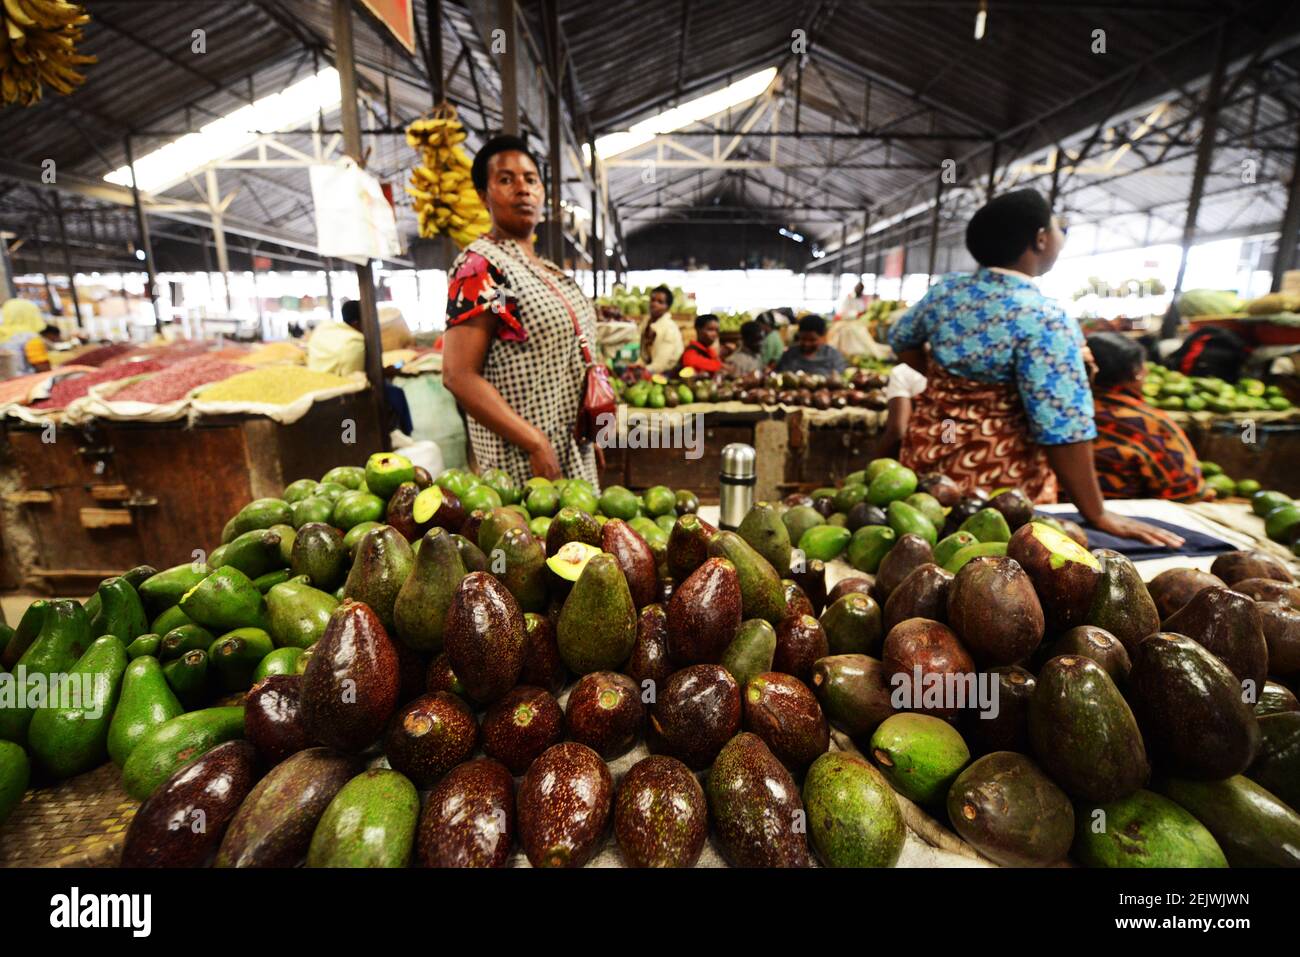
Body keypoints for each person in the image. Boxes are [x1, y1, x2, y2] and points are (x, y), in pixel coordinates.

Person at [888, 189, 1181, 547]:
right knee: (992, 566)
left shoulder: (945, 292)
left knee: (923, 548)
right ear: (1041, 239)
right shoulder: (1044, 318)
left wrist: (944, 382)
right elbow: (1062, 427)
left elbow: (901, 338)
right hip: (998, 480)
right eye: (1058, 228)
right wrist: (1096, 513)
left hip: (931, 462)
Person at [441, 134, 600, 487]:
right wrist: (534, 441)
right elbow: (458, 375)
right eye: (505, 179)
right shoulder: (482, 267)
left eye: (530, 179)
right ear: (484, 196)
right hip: (523, 459)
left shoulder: (547, 270)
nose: (522, 189)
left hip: (569, 449)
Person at [1088, 332, 1207, 502]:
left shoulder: (1064, 413)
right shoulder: (1148, 423)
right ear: (1136, 372)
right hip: (1129, 516)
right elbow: (1185, 490)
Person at [306, 299, 365, 376]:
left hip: (313, 381)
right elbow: (353, 381)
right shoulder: (354, 342)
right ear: (356, 323)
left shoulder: (323, 328)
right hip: (331, 385)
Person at [777, 314, 847, 377]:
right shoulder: (789, 355)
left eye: (812, 340)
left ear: (823, 337)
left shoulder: (833, 356)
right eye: (803, 339)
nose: (807, 344)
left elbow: (839, 378)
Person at [639, 284, 684, 374]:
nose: (654, 304)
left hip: (665, 372)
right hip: (649, 367)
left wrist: (642, 371)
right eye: (652, 300)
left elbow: (660, 364)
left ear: (667, 307)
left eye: (660, 302)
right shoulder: (646, 322)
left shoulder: (669, 328)